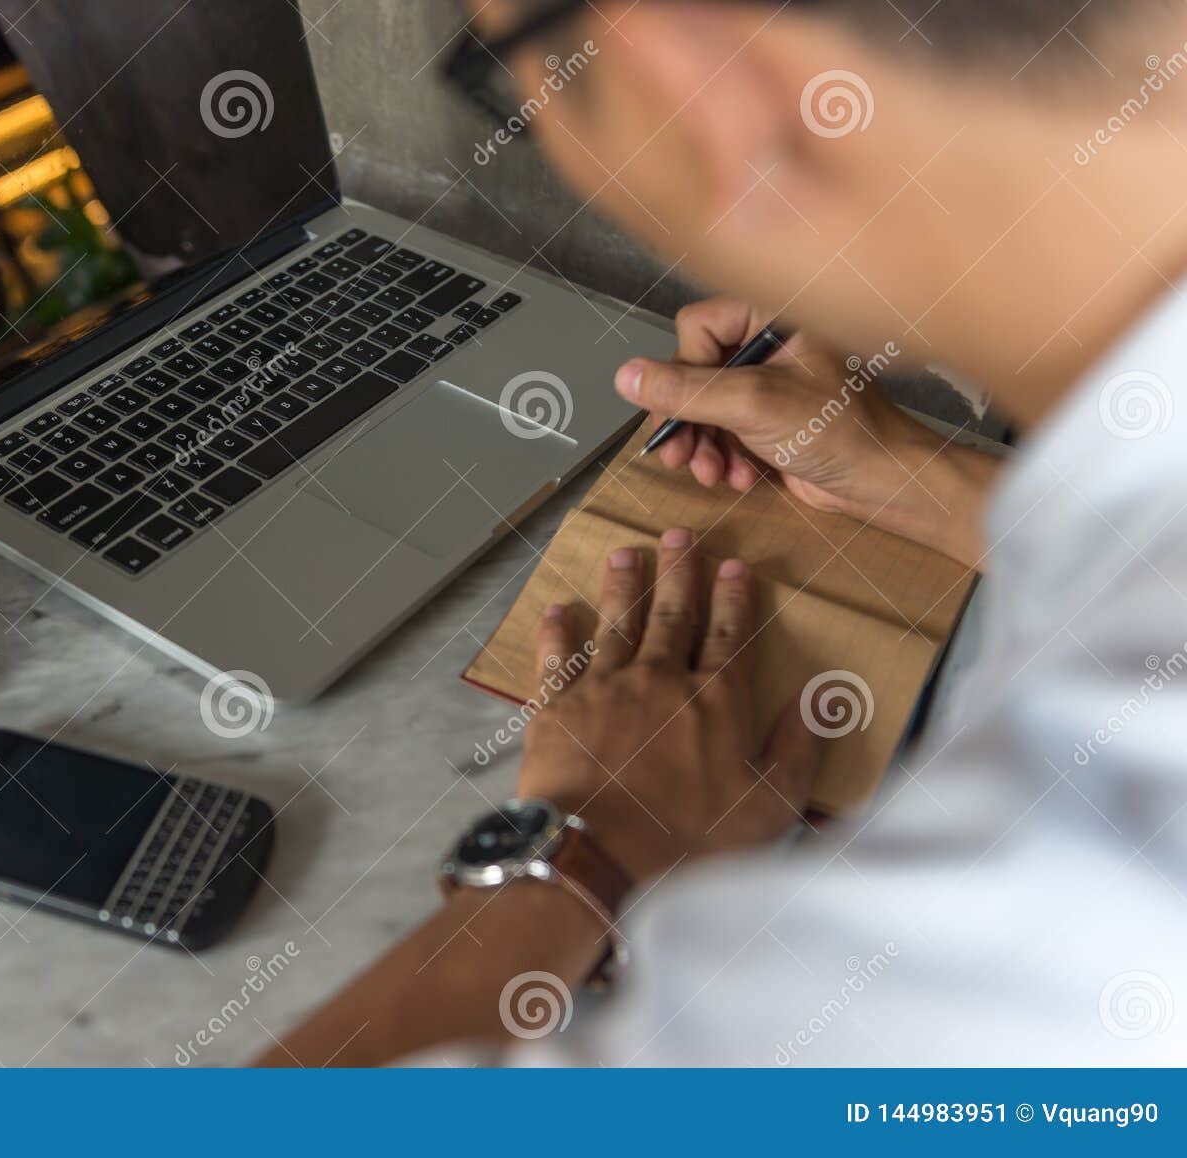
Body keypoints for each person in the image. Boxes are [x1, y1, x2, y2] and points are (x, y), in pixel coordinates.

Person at [260, 0, 1187, 1065]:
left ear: (696, 78)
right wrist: (911, 475)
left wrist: (590, 844)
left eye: (503, 72)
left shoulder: (1077, 884)